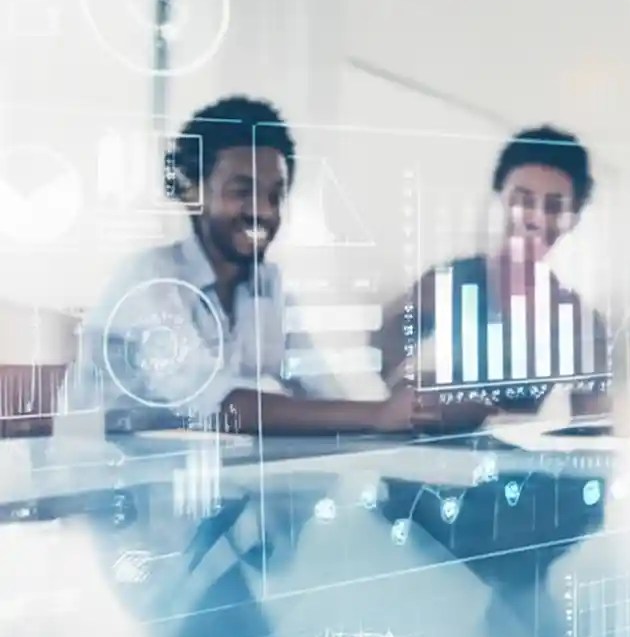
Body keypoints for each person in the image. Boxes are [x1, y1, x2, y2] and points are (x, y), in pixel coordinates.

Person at [75, 96, 421, 434]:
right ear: (192, 191)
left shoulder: (267, 284)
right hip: (112, 483)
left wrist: (405, 408)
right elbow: (215, 405)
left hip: (201, 479)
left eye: (275, 195)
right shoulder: (148, 279)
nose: (265, 212)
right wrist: (377, 415)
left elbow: (323, 389)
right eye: (243, 192)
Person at [373, 125, 609, 430]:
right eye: (523, 200)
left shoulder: (581, 320)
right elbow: (375, 358)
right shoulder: (446, 283)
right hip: (427, 459)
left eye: (554, 207)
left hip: (517, 466)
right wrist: (415, 393)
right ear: (501, 199)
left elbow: (593, 427)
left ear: (573, 218)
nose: (536, 219)